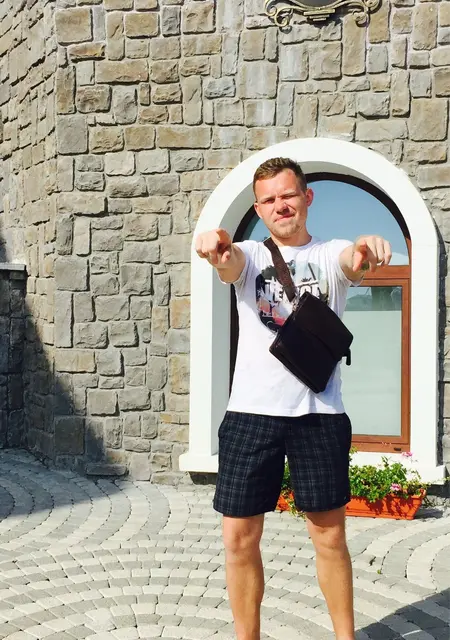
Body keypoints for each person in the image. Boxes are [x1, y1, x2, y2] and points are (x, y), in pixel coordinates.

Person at [195, 157, 392, 640]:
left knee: (329, 536)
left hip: (319, 415)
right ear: (259, 209)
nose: (280, 205)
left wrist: (366, 246)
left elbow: (353, 261)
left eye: (288, 195)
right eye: (269, 200)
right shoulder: (250, 255)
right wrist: (215, 245)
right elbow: (228, 262)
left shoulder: (329, 252)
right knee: (238, 538)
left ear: (307, 197)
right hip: (250, 415)